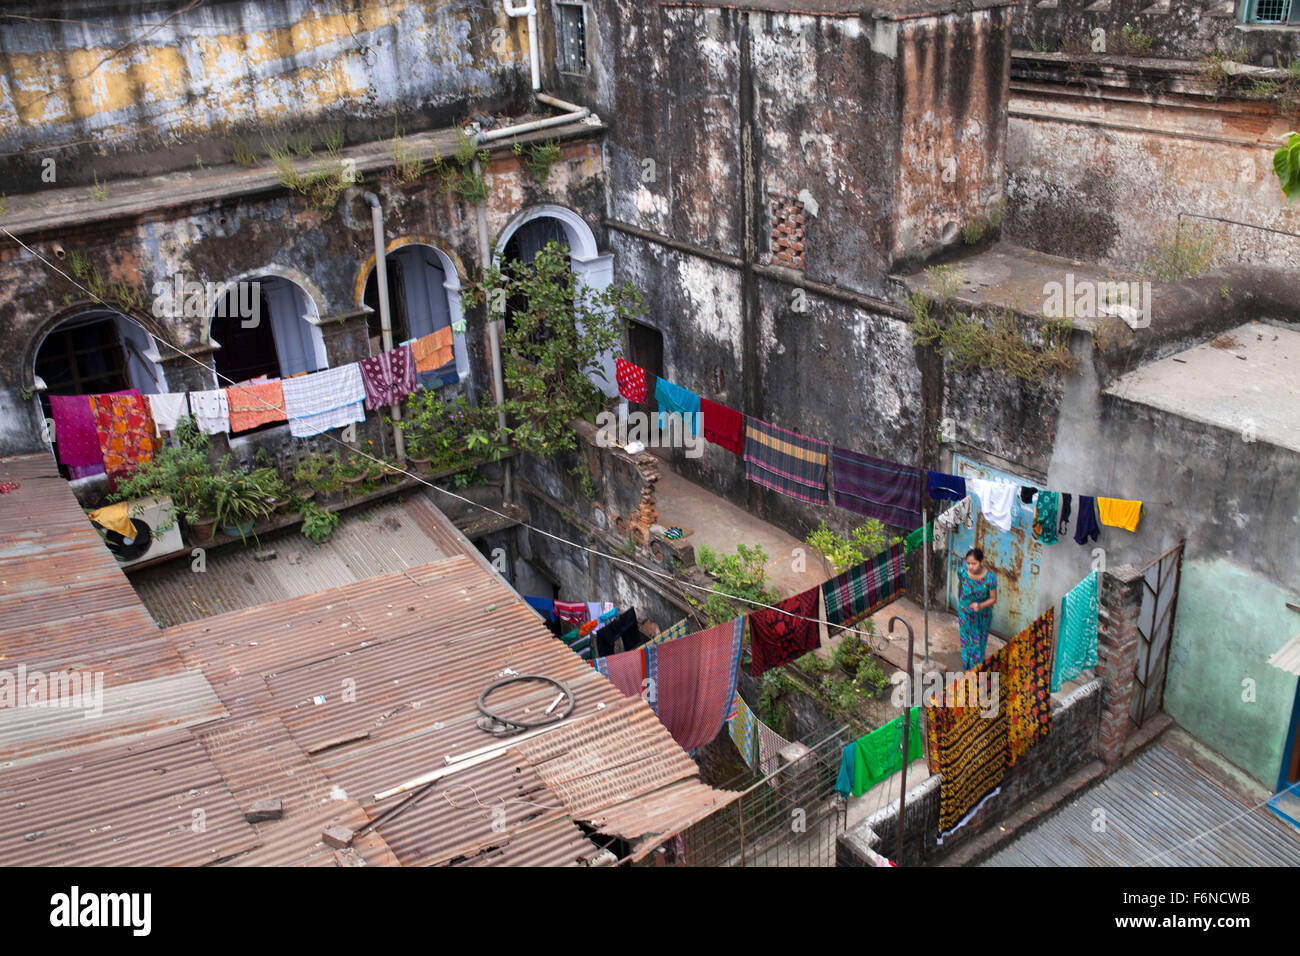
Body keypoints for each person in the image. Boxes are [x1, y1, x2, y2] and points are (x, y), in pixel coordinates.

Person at [957, 547, 997, 669]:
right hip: (965, 613)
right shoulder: (962, 572)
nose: (970, 566)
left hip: (981, 615)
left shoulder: (990, 578)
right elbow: (960, 587)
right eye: (968, 563)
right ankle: (967, 667)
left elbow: (993, 599)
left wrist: (980, 606)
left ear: (981, 562)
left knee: (978, 642)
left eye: (974, 563)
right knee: (965, 640)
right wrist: (961, 603)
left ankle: (975, 668)